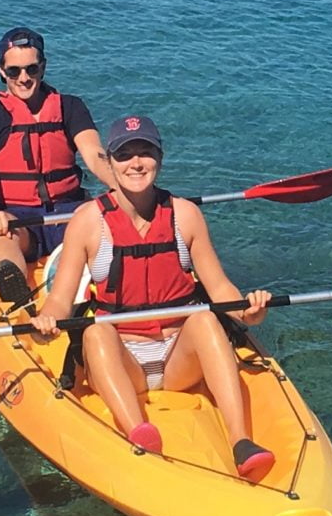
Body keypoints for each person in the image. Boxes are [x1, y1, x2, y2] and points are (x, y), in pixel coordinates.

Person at [30, 113, 278, 482]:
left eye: (144, 152)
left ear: (159, 158)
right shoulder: (87, 221)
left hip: (179, 359)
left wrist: (250, 312)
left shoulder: (186, 216)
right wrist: (45, 322)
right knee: (95, 331)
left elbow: (221, 290)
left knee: (207, 318)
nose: (135, 163)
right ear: (110, 163)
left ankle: (242, 442)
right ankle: (138, 433)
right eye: (124, 154)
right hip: (122, 361)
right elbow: (61, 299)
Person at [0, 28, 113, 311]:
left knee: (104, 224)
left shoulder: (70, 107)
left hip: (68, 212)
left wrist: (125, 190)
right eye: (14, 71)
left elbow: (95, 155)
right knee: (5, 240)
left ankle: (117, 287)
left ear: (43, 66)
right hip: (14, 217)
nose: (24, 78)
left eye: (31, 68)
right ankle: (17, 294)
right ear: (2, 71)